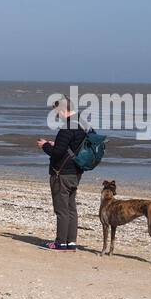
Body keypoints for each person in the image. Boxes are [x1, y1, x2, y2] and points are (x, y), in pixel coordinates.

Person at [36, 97, 87, 250]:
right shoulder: (84, 125)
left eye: (57, 113)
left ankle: (60, 243)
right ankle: (71, 242)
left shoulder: (67, 128)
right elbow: (72, 147)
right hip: (76, 172)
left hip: (62, 174)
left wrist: (45, 145)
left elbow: (57, 153)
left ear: (64, 110)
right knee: (71, 208)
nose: (57, 116)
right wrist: (56, 144)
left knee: (62, 209)